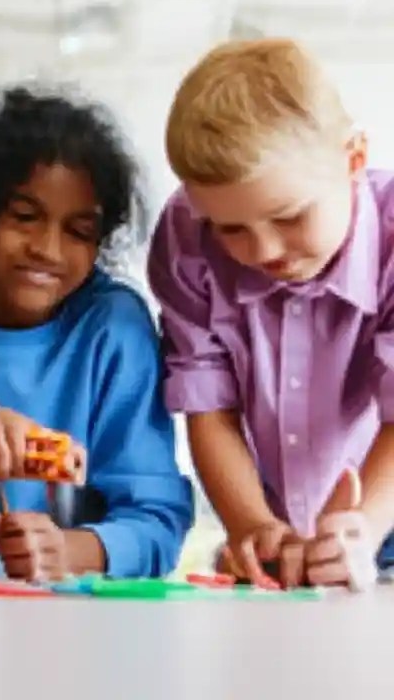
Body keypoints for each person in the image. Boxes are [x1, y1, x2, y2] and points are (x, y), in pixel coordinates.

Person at [0, 86, 195, 580]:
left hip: (77, 625)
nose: (48, 249)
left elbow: (157, 522)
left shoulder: (114, 330)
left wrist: (69, 550)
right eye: (25, 217)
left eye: (79, 231)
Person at [149, 37, 394, 589]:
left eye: (289, 216)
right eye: (230, 228)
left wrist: (364, 528)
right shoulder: (187, 239)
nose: (262, 252)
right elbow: (209, 408)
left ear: (353, 159)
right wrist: (251, 525)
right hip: (273, 509)